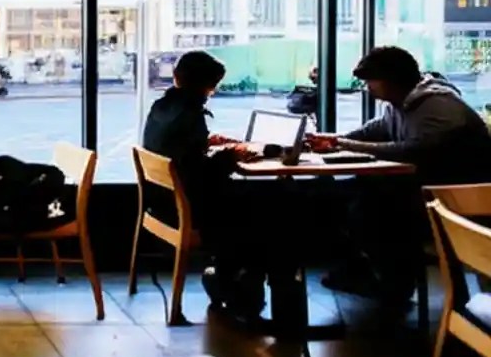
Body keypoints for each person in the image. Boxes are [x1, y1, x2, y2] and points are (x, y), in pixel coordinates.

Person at [309, 46, 491, 301]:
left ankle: (394, 286)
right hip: (427, 191)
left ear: (392, 79)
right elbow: (377, 129)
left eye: (372, 80)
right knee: (348, 195)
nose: (368, 86)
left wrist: (344, 145)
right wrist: (335, 140)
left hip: (457, 201)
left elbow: (412, 151)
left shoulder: (438, 107)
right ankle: (370, 272)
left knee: (370, 207)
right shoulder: (402, 102)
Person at [141, 51, 265, 315]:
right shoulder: (191, 114)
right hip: (186, 209)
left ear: (176, 78)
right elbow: (198, 173)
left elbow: (175, 149)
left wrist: (208, 142)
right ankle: (236, 289)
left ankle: (226, 281)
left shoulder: (161, 107)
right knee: (260, 211)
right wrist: (231, 156)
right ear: (209, 85)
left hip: (160, 203)